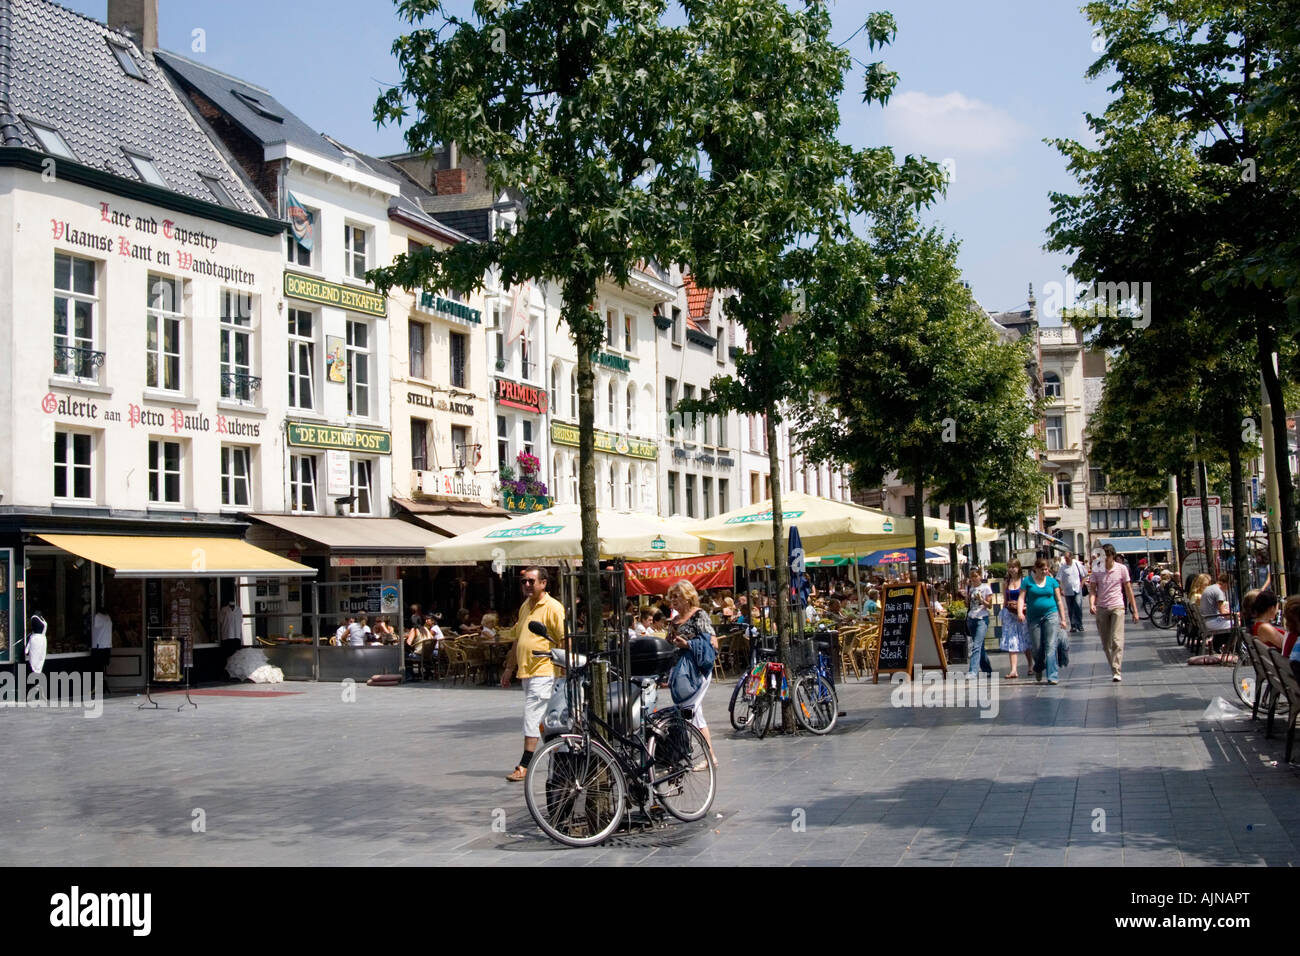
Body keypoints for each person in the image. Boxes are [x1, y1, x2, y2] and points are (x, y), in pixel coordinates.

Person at [500, 567, 565, 782]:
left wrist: (565, 670)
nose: (526, 585)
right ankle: (559, 759)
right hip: (527, 671)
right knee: (544, 719)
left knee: (532, 715)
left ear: (543, 583)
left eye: (531, 581)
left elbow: (564, 639)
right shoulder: (524, 607)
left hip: (544, 670)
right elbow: (518, 640)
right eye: (523, 582)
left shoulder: (553, 607)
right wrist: (510, 668)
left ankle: (524, 765)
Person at [665, 579, 719, 767]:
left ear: (688, 597)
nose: (673, 602)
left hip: (697, 671)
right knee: (695, 713)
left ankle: (703, 756)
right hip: (681, 673)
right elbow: (668, 645)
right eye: (671, 598)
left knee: (690, 711)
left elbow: (712, 642)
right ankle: (709, 756)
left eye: (676, 597)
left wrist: (688, 644)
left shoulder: (699, 615)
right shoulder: (673, 621)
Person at [1088, 543, 1139, 682]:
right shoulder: (1096, 569)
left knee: (1117, 640)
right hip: (1102, 607)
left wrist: (1135, 610)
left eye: (1107, 556)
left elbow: (1128, 589)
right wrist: (1091, 603)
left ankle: (1116, 670)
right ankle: (1113, 667)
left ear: (1112, 556)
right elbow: (1092, 589)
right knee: (1106, 644)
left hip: (1117, 606)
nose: (1104, 559)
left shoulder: (1122, 569)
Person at [1019, 557, 1069, 684]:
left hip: (1050, 615)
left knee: (1050, 645)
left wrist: (1063, 619)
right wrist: (1020, 612)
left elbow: (1059, 601)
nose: (1044, 571)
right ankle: (1039, 666)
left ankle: (1052, 676)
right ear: (1035, 569)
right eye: (1042, 569)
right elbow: (1021, 598)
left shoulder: (1052, 582)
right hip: (1033, 617)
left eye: (1046, 569)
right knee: (1037, 648)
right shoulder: (1027, 581)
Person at [999, 559, 1033, 678]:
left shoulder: (1025, 581)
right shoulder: (1006, 582)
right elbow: (1004, 599)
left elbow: (1029, 598)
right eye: (1010, 567)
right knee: (1012, 640)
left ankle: (1030, 665)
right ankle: (1013, 670)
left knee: (1025, 640)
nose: (1012, 569)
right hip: (1009, 614)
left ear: (1019, 568)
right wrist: (1003, 613)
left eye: (1014, 567)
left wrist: (1025, 605)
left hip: (1022, 614)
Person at [965, 569, 994, 677]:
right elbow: (967, 604)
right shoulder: (970, 588)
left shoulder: (986, 587)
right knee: (979, 646)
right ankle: (987, 669)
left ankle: (973, 671)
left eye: (976, 576)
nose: (974, 579)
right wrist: (966, 597)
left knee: (976, 645)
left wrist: (981, 599)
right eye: (972, 577)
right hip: (971, 618)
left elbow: (989, 605)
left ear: (980, 576)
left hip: (982, 618)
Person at [1199, 573, 1234, 648]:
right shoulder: (1219, 592)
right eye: (1230, 585)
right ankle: (1229, 647)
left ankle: (1218, 644)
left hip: (1206, 619)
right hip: (1212, 621)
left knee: (1232, 623)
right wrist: (1234, 615)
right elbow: (1223, 613)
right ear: (1226, 583)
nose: (1229, 588)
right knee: (1237, 624)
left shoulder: (1210, 588)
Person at [1057, 551, 1085, 634]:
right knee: (1070, 608)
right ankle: (1073, 625)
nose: (1066, 559)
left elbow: (1084, 575)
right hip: (1068, 591)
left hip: (1077, 589)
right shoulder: (1063, 567)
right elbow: (1058, 578)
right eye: (1065, 558)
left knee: (1078, 605)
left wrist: (1081, 585)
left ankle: (1079, 624)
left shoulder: (1077, 564)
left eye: (1067, 558)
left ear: (1071, 557)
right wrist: (1061, 589)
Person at [91, 607, 113, 676]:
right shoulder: (108, 617)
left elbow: (95, 628)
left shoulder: (98, 616)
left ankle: (99, 684)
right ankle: (100, 684)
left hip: (99, 646)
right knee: (100, 667)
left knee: (98, 667)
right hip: (106, 645)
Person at [26, 613, 48, 677]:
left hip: (42, 641)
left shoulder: (40, 617)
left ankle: (38, 674)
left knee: (41, 658)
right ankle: (35, 673)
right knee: (34, 659)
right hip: (36, 641)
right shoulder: (34, 618)